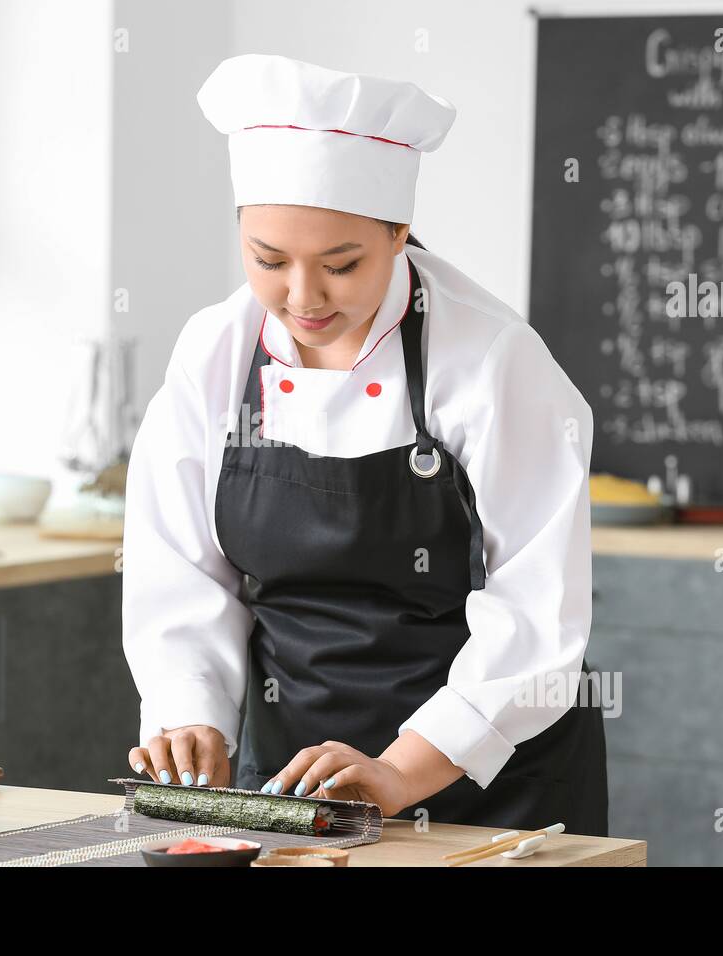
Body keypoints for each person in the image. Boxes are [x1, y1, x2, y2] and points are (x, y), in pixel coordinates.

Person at [121, 53, 606, 833]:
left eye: (342, 265)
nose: (303, 298)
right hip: (296, 773)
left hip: (487, 779)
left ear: (399, 234)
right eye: (268, 261)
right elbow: (180, 570)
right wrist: (191, 715)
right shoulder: (215, 351)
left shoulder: (487, 358)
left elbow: (538, 612)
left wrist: (401, 769)